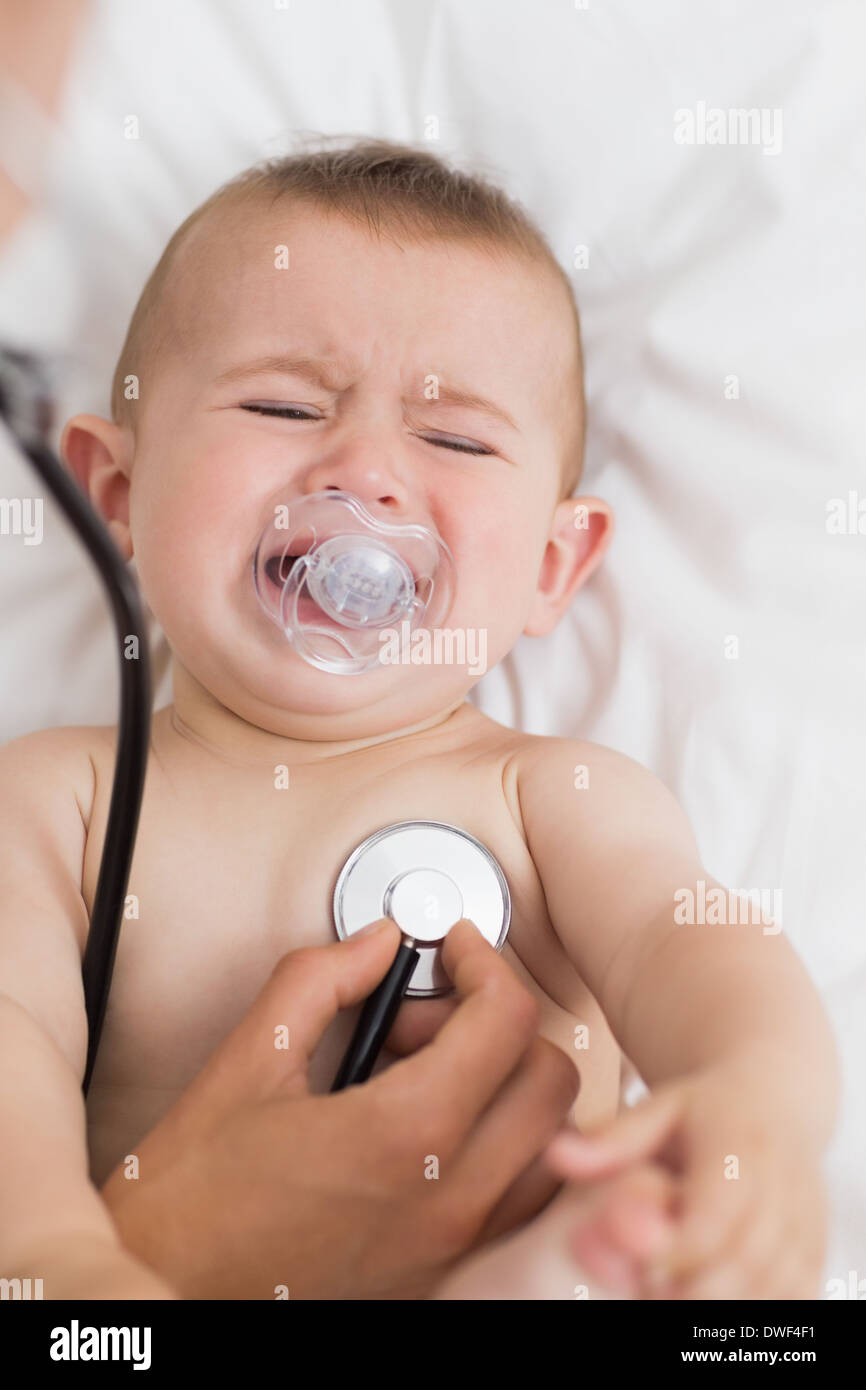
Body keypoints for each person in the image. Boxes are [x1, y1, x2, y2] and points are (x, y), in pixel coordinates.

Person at [0, 134, 837, 1300]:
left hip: (508, 1270)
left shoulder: (551, 799)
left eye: (451, 436)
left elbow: (689, 943)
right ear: (119, 498)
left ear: (554, 565)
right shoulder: (58, 801)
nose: (366, 475)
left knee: (617, 1246)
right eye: (284, 405)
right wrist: (54, 1257)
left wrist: (756, 1102)